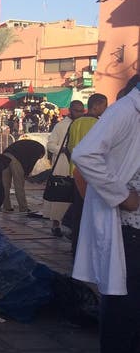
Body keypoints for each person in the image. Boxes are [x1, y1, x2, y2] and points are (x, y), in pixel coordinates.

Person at [72, 77, 140, 353]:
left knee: (133, 319)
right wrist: (121, 195)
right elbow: (84, 155)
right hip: (127, 233)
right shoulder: (127, 110)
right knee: (122, 319)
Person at [67, 93, 108, 252]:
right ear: (96, 106)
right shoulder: (99, 124)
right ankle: (88, 248)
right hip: (91, 176)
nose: (105, 109)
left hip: (75, 172)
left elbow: (70, 148)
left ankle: (75, 245)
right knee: (91, 213)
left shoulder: (75, 123)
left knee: (77, 212)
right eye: (104, 105)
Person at [43, 99, 85, 236]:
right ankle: (56, 225)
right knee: (60, 196)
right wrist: (62, 150)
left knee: (73, 197)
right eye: (77, 110)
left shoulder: (83, 125)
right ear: (70, 111)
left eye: (81, 111)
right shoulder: (61, 126)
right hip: (62, 164)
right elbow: (50, 144)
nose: (79, 113)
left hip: (77, 167)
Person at [1, 139, 45, 214]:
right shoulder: (38, 149)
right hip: (15, 158)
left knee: (5, 185)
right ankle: (23, 208)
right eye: (40, 158)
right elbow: (31, 162)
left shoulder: (32, 144)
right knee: (19, 185)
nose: (39, 159)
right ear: (42, 153)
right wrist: (26, 174)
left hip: (4, 156)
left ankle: (6, 207)